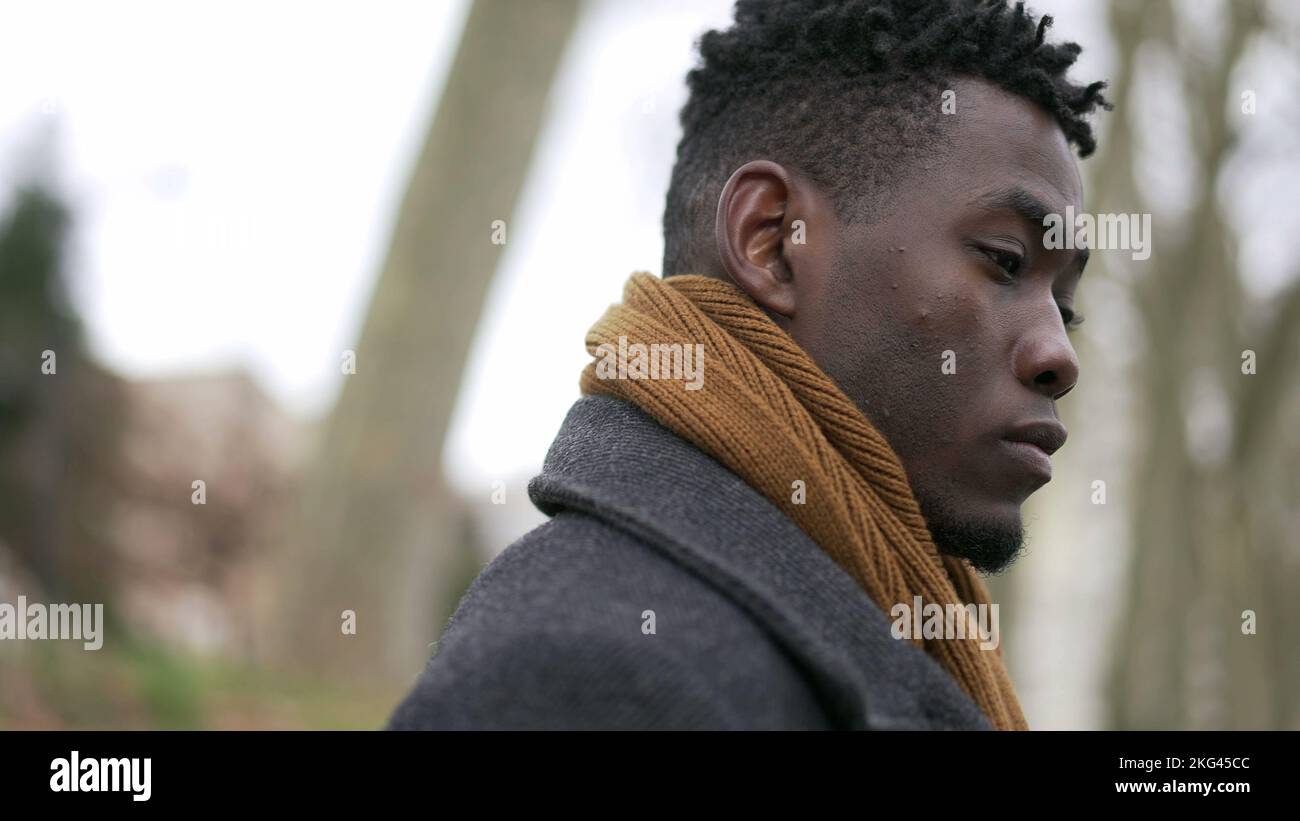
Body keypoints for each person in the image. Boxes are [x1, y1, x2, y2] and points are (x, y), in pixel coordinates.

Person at [389, 0, 1109, 730]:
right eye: (1004, 260)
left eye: (1067, 307)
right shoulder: (591, 675)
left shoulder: (876, 630)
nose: (1060, 354)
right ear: (772, 239)